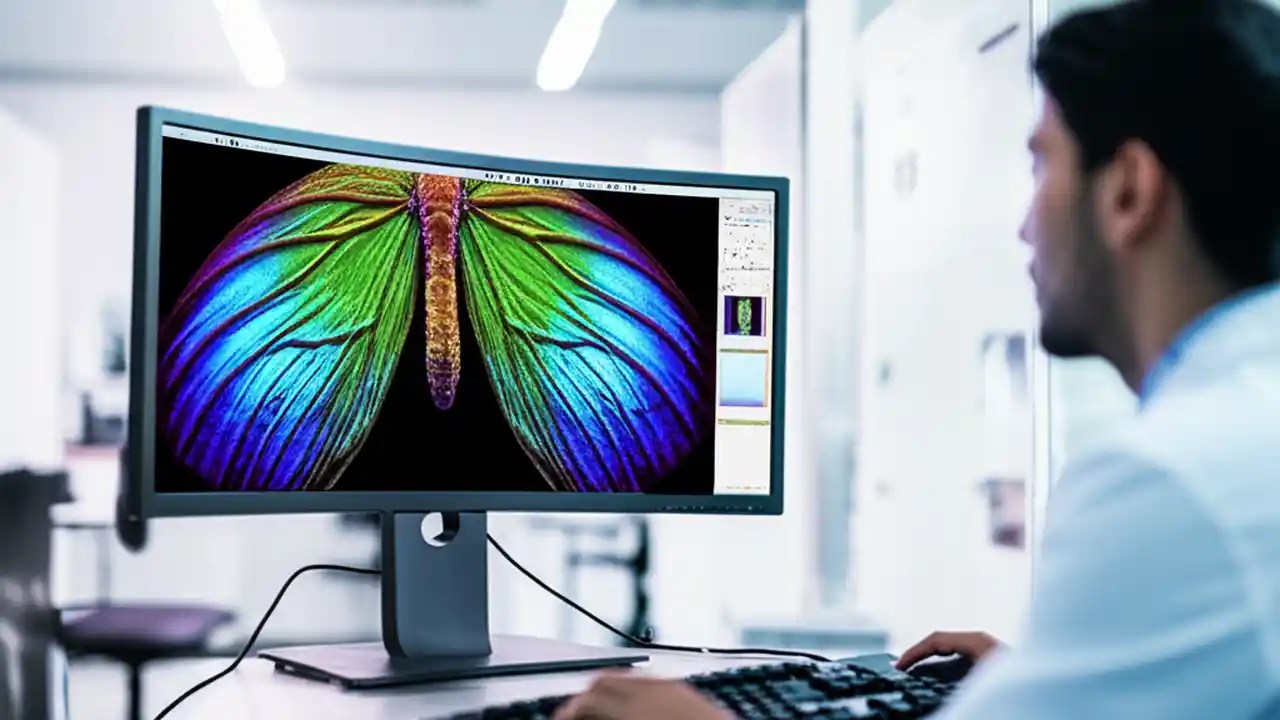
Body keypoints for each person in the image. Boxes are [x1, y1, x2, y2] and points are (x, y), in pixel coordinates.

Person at [553, 0, 1280, 717]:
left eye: (1041, 167)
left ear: (1128, 190)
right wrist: (1053, 680)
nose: (1026, 227)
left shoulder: (1170, 480)